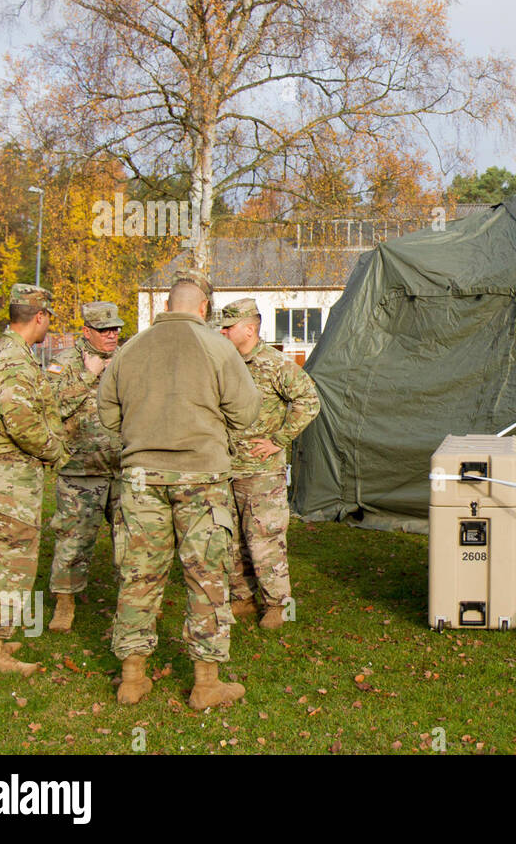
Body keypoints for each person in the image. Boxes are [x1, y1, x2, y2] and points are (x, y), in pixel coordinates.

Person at [97, 270, 260, 707]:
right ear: (203, 308)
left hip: (141, 478)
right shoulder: (218, 347)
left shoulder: (130, 350)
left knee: (138, 577)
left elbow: (107, 414)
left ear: (166, 305)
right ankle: (206, 684)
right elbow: (246, 413)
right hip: (201, 479)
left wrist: (142, 435)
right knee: (206, 578)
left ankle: (132, 678)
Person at [0, 284, 66, 676]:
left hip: (3, 472)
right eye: (48, 319)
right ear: (38, 317)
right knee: (13, 561)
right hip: (12, 474)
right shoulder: (15, 358)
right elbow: (21, 422)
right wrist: (55, 451)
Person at [218, 298, 321, 629]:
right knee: (230, 538)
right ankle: (242, 598)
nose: (222, 331)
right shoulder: (223, 363)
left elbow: (309, 401)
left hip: (262, 471)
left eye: (228, 327)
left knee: (265, 538)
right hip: (224, 467)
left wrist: (278, 439)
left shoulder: (276, 365)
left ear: (249, 328)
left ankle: (277, 604)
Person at [45, 301, 124, 633]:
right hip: (81, 469)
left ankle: (133, 605)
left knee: (132, 540)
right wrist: (87, 376)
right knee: (73, 540)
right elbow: (48, 409)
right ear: (86, 332)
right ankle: (65, 603)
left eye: (116, 328)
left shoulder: (126, 359)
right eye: (104, 330)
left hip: (123, 468)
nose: (112, 335)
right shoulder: (64, 363)